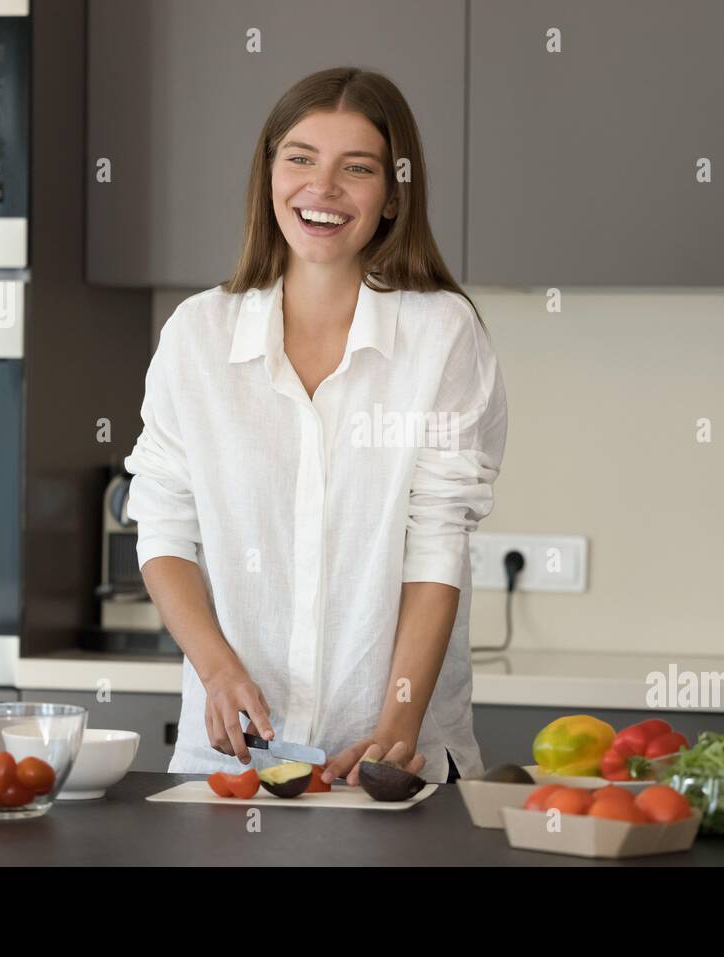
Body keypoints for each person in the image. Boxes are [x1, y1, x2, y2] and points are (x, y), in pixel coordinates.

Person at [123, 67, 506, 786]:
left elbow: (437, 541)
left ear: (392, 195)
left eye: (355, 169)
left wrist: (394, 731)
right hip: (232, 764)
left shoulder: (441, 336)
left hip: (396, 766)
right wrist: (217, 668)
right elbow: (165, 529)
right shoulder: (197, 336)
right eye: (299, 158)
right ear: (269, 172)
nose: (320, 189)